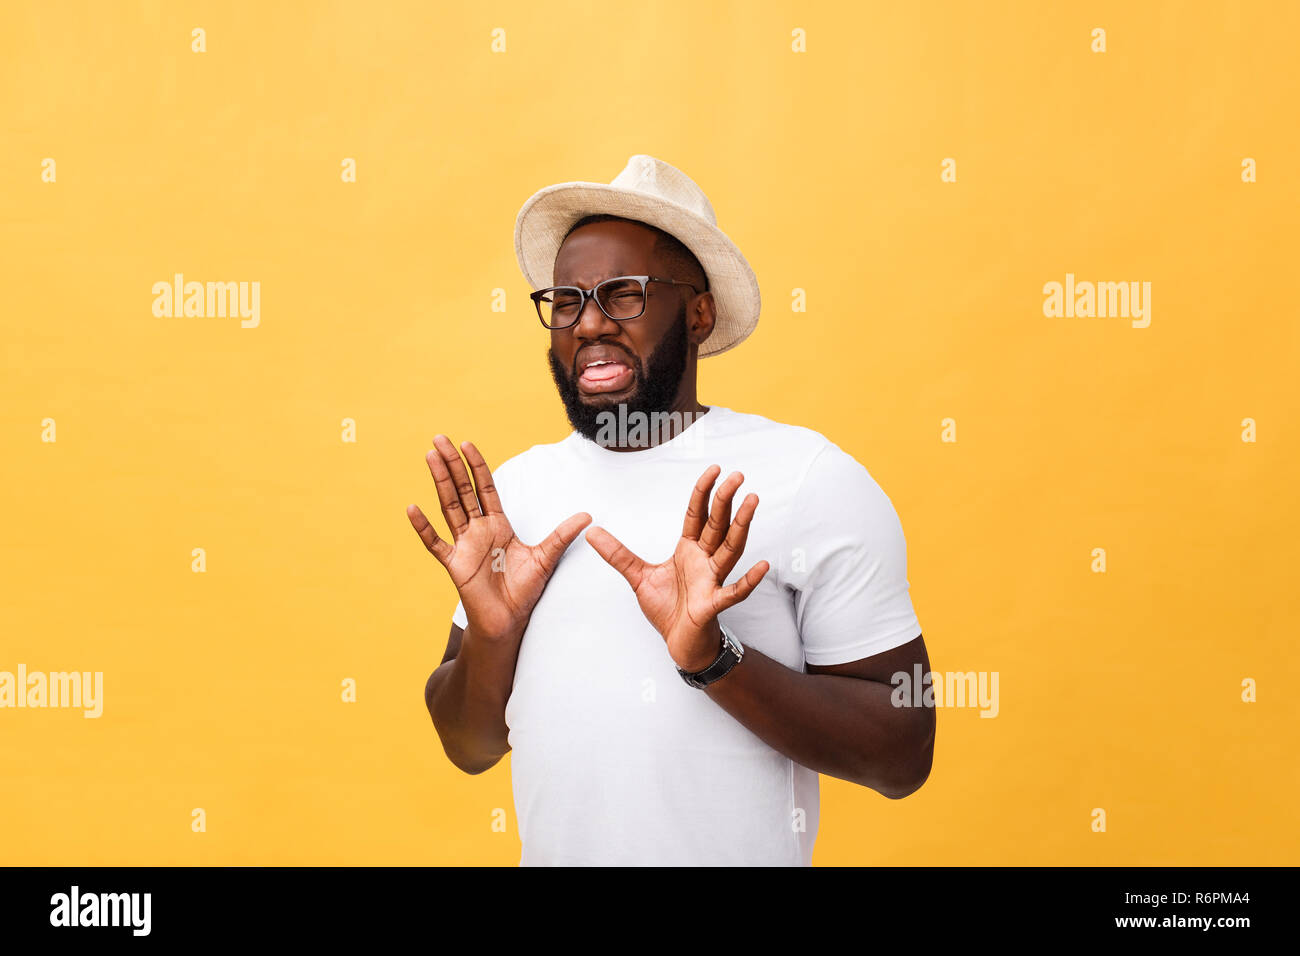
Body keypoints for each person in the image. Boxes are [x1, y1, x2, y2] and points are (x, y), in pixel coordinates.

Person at [408, 154, 934, 865]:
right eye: (565, 299)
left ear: (698, 311)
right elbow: (468, 747)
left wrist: (715, 659)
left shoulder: (808, 479)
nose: (588, 321)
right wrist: (492, 639)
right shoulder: (518, 493)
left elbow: (904, 754)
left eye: (623, 293)